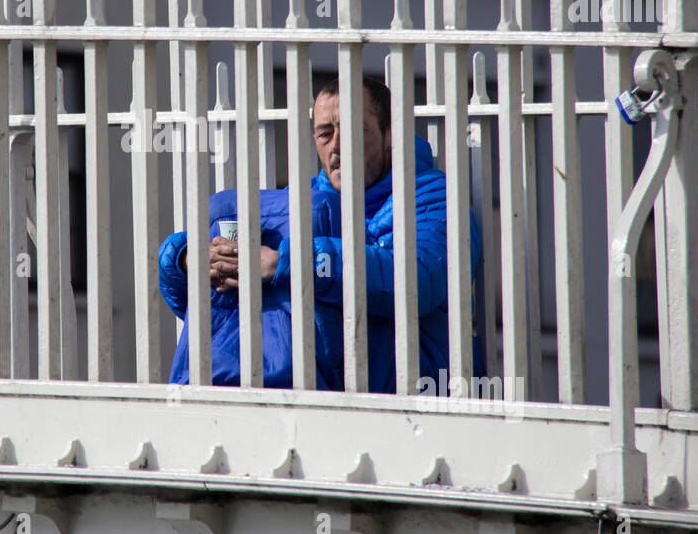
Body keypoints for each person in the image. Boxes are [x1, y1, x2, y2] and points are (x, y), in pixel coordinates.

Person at [192, 74, 483, 393]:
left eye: (354, 130)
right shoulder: (307, 198)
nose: (337, 146)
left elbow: (417, 280)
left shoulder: (431, 194)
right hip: (320, 374)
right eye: (325, 134)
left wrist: (289, 264)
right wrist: (191, 260)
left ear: (391, 134)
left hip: (413, 378)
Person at [159, 185, 344, 388]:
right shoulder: (297, 195)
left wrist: (285, 262)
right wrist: (184, 258)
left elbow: (381, 277)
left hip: (304, 389)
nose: (334, 150)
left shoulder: (373, 214)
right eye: (324, 148)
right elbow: (190, 302)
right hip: (214, 386)